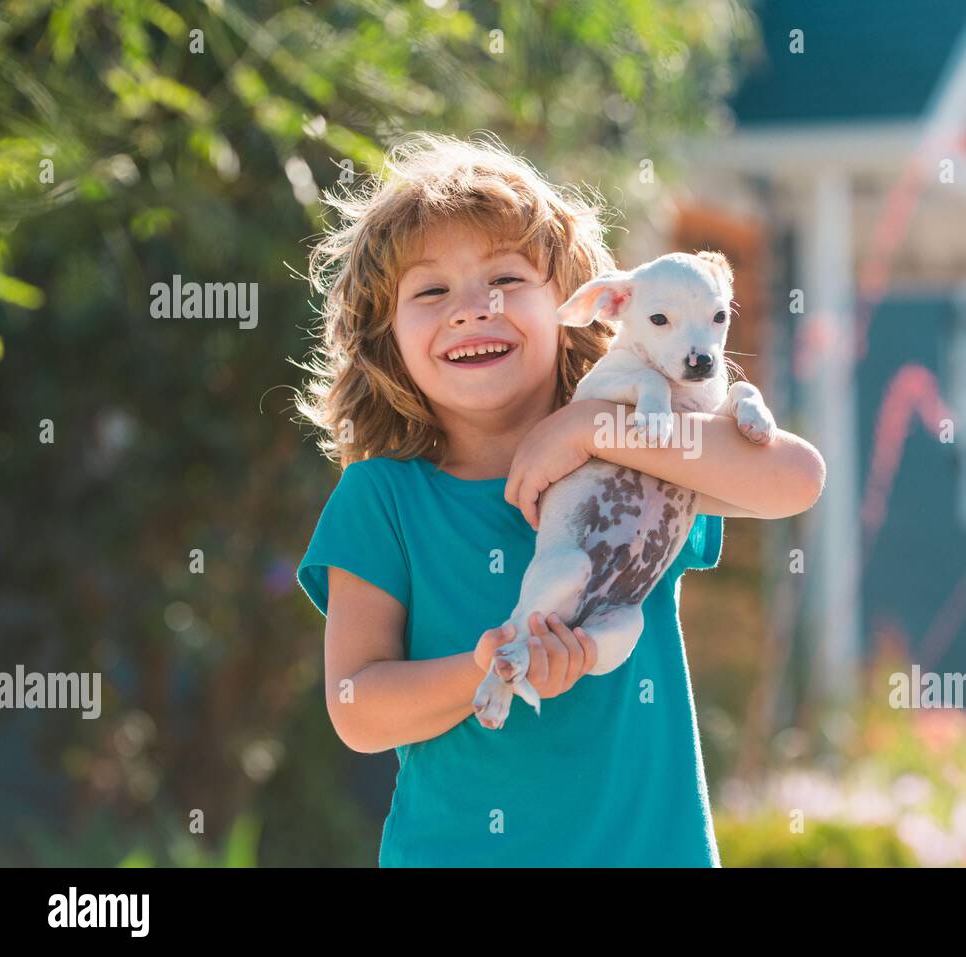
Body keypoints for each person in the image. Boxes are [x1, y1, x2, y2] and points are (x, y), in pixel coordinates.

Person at [294, 132, 825, 866]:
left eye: (506, 279)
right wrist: (490, 665)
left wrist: (588, 428)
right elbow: (357, 707)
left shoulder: (642, 448)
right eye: (431, 290)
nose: (471, 309)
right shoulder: (381, 497)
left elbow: (795, 478)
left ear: (577, 306)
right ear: (388, 338)